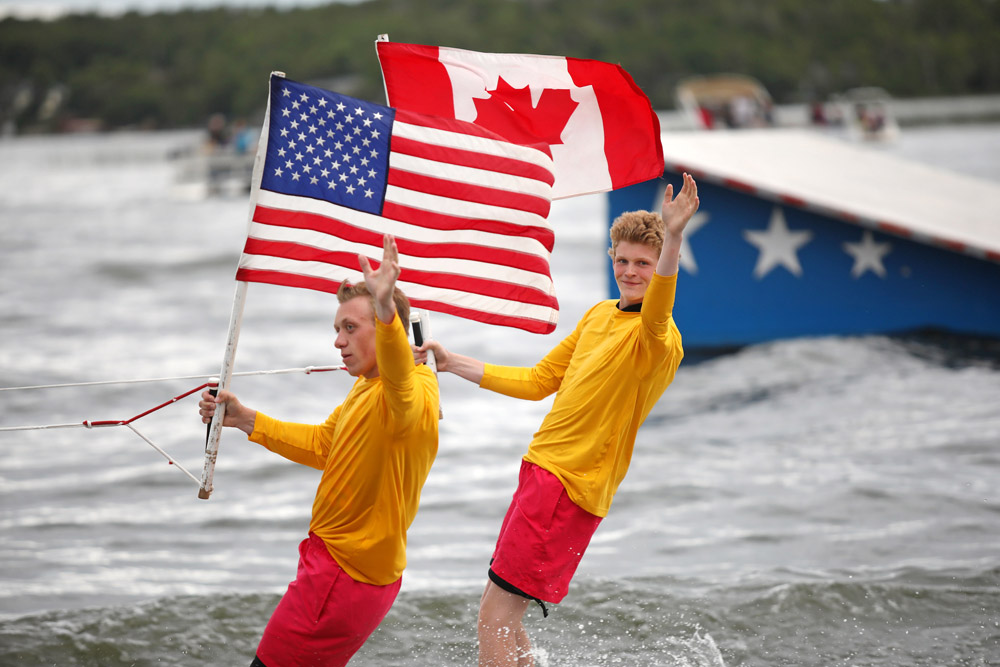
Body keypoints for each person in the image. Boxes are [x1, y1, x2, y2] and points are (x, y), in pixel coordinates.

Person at [416, 174, 700, 667]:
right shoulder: (597, 315)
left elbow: (659, 306)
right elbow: (538, 380)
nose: (631, 272)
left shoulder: (659, 337)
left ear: (658, 269)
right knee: (502, 613)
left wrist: (673, 236)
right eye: (623, 261)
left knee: (494, 616)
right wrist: (450, 361)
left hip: (568, 487)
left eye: (643, 265)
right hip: (540, 473)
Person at [198, 235, 440, 667]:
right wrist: (245, 419)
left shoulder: (408, 395)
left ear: (389, 330)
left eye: (350, 328)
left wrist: (385, 311)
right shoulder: (366, 388)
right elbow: (325, 446)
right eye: (337, 330)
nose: (338, 342)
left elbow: (402, 374)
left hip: (343, 576)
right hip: (343, 570)